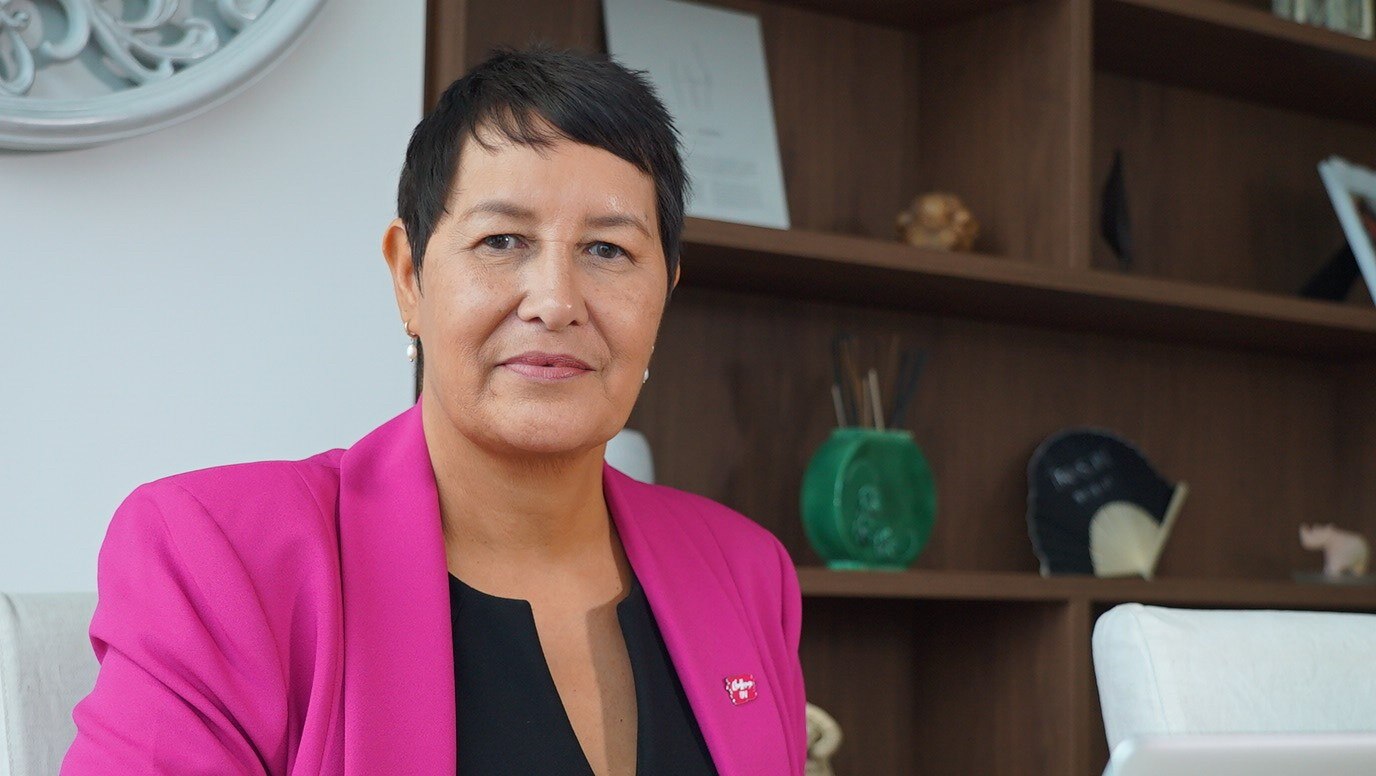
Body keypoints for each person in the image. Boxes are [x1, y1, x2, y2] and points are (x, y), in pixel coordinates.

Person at [60, 45, 807, 775]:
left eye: (608, 251)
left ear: (665, 293)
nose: (555, 301)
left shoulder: (746, 573)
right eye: (502, 240)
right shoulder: (221, 558)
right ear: (411, 278)